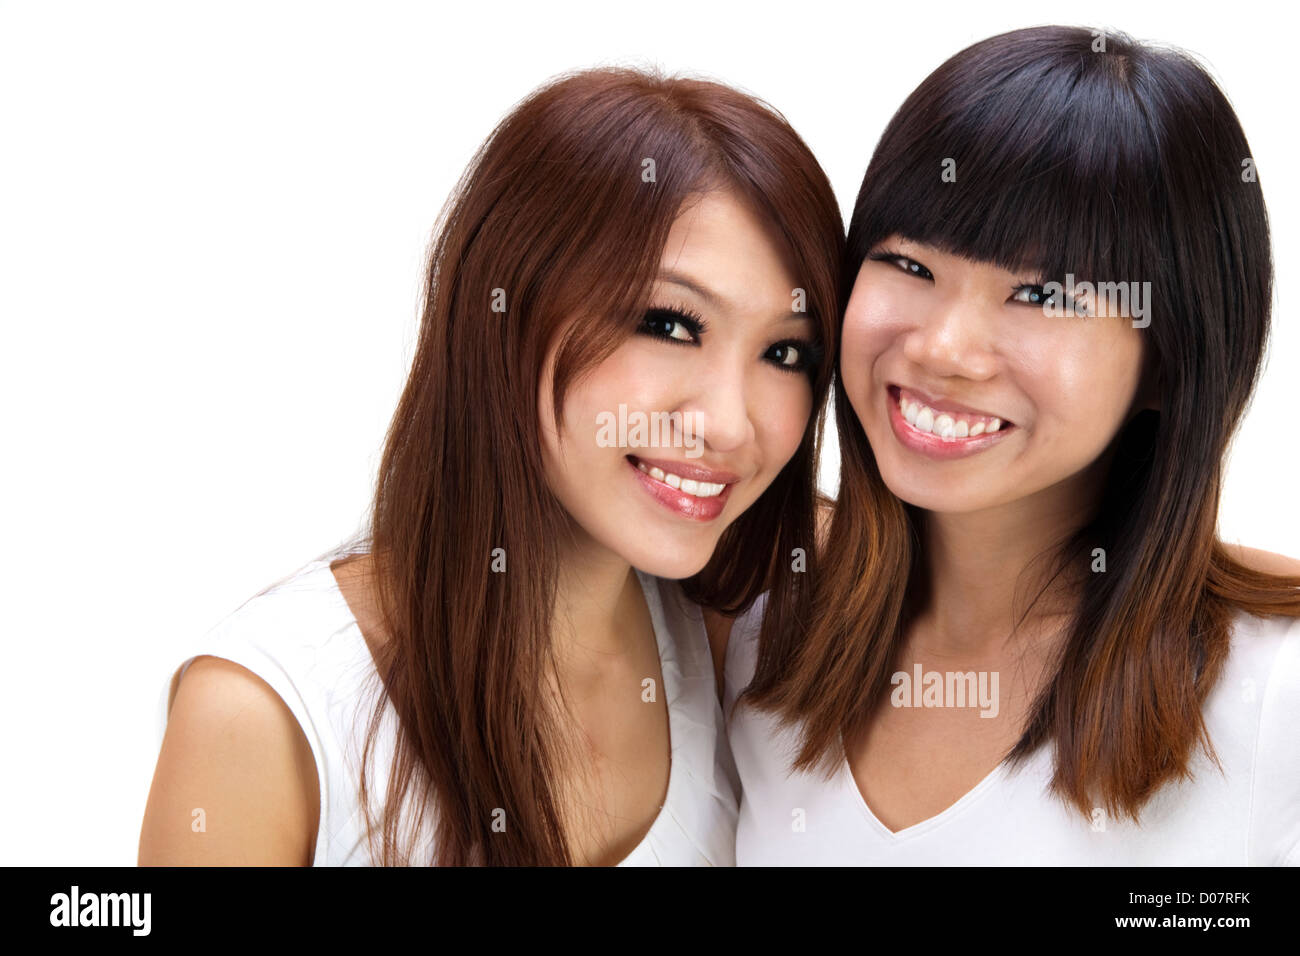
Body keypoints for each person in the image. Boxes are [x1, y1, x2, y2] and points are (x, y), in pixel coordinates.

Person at [139, 66, 843, 866]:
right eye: (670, 324)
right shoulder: (267, 713)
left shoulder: (728, 632)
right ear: (504, 314)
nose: (728, 423)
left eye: (785, 351)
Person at [717, 25, 1300, 864]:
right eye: (909, 264)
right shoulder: (762, 635)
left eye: (1040, 293)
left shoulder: (1269, 696)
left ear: (1168, 364)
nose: (941, 348)